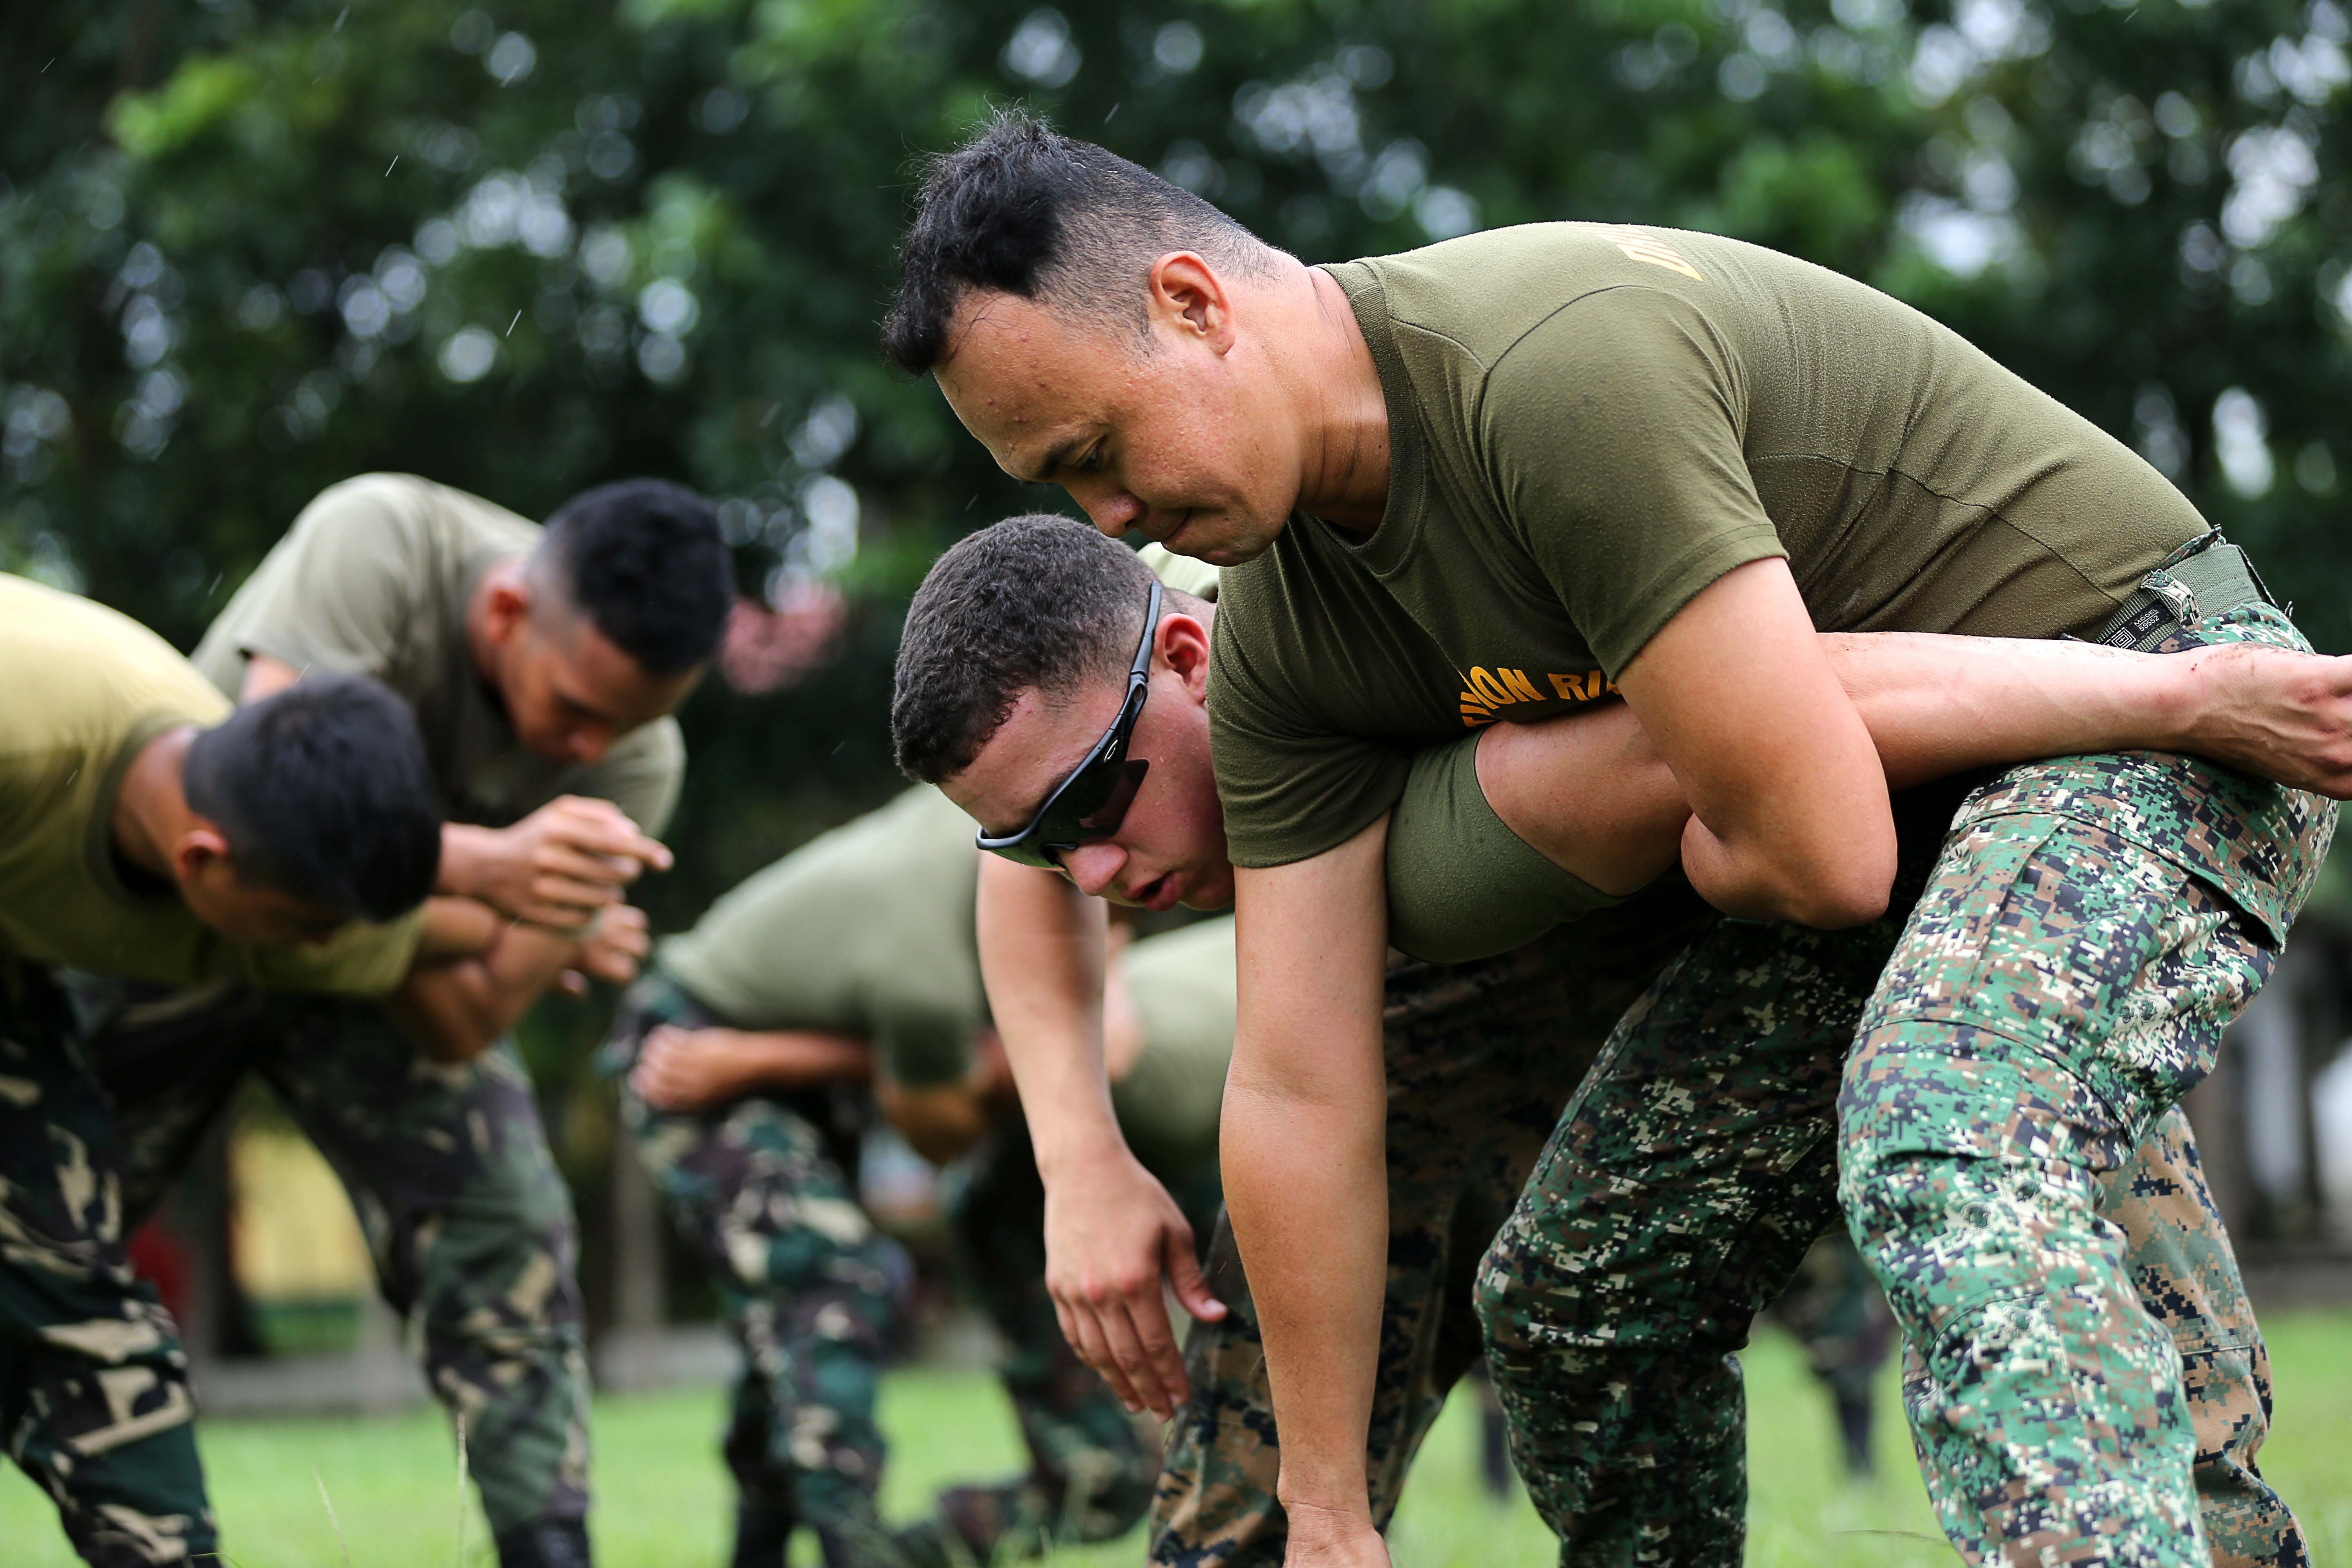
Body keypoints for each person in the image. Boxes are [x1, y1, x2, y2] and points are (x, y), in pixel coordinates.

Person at [881, 111, 2347, 1566]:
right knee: (1582, 1296)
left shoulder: (1545, 378)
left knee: (1944, 1117)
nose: (1109, 514)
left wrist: (1715, 850)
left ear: (1193, 303)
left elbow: (1817, 854)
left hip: (2145, 692)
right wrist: (1322, 1516)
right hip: (1878, 803)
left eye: (1098, 453)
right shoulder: (1271, 622)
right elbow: (1300, 1084)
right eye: (1064, 488)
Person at [77, 472, 733, 1568]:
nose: (587, 748)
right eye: (575, 708)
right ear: (509, 614)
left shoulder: (634, 757)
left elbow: (458, 1022)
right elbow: (267, 844)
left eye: (626, 723)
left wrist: (464, 925)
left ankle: (549, 1548)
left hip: (382, 987)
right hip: (189, 927)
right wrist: (498, 890)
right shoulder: (379, 543)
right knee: (37, 1231)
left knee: (508, 1224)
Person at [593, 783, 1235, 1568]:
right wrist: (758, 1060)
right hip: (691, 1042)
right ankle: (854, 1555)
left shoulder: (1020, 818)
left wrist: (774, 1058)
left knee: (793, 1328)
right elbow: (938, 1135)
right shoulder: (927, 976)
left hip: (772, 1056)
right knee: (836, 1282)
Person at [0, 572, 467, 1566]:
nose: (313, 957)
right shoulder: (25, 728)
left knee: (82, 1311)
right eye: (303, 933)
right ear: (201, 863)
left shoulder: (227, 786)